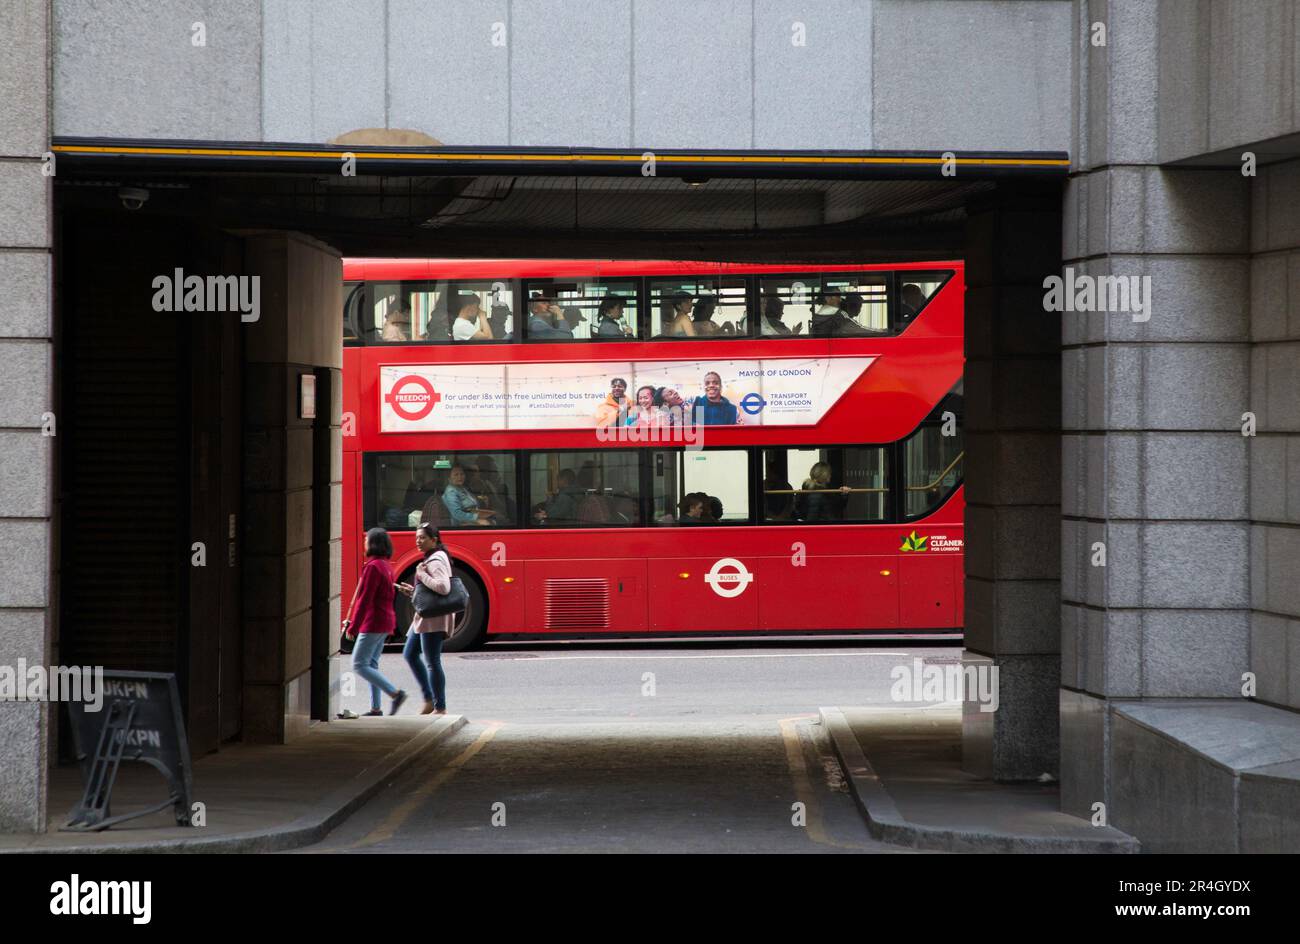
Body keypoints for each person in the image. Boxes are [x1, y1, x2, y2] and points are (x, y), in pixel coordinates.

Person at [342, 528, 407, 716]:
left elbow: (365, 599)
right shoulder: (386, 566)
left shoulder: (372, 567)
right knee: (371, 664)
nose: (364, 543)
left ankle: (395, 694)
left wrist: (354, 625)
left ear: (373, 543)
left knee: (358, 664)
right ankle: (376, 707)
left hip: (373, 622)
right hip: (386, 622)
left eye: (366, 540)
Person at [396, 523, 452, 716]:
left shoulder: (435, 560)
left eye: (422, 538)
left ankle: (440, 706)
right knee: (410, 653)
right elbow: (429, 591)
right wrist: (412, 592)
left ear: (434, 540)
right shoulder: (431, 558)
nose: (418, 541)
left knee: (432, 661)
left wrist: (420, 574)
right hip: (424, 615)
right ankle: (429, 699)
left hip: (433, 618)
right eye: (417, 537)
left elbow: (443, 587)